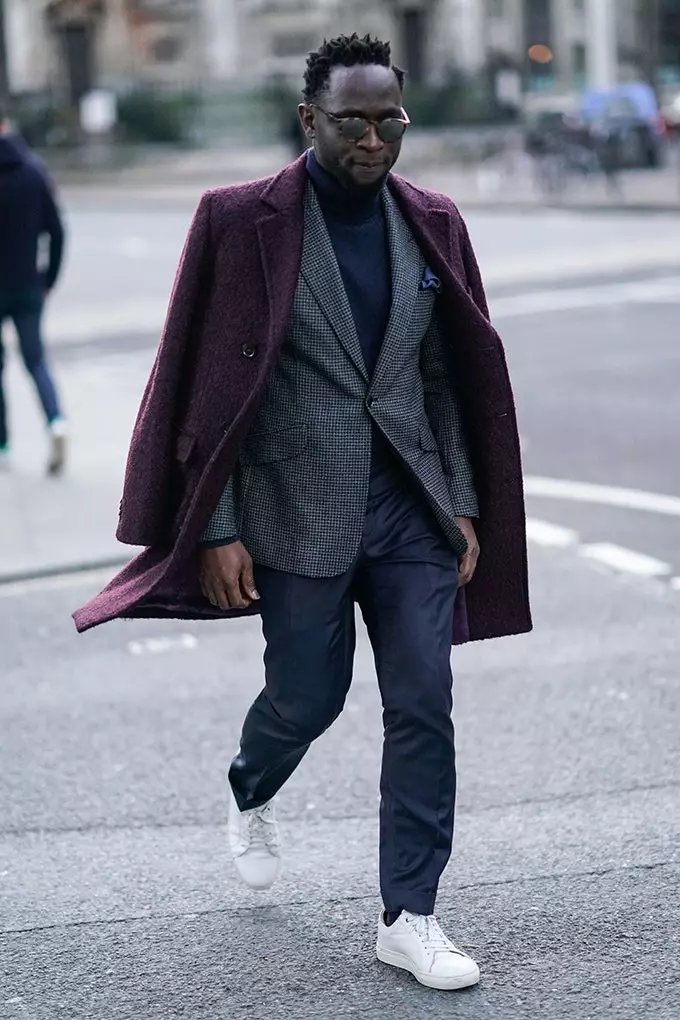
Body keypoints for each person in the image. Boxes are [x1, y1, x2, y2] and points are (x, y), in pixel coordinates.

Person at [74, 34, 531, 991]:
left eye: (389, 119)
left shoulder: (434, 222)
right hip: (293, 509)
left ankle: (410, 915)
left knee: (423, 706)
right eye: (352, 120)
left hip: (410, 507)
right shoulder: (241, 220)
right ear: (308, 121)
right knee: (307, 697)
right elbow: (206, 385)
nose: (374, 138)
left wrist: (462, 502)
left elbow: (445, 375)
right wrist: (215, 525)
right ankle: (251, 784)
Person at [0, 107, 67, 474]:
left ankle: (3, 443)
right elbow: (56, 231)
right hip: (28, 285)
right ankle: (56, 422)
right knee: (35, 359)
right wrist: (48, 280)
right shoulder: (32, 172)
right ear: (6, 126)